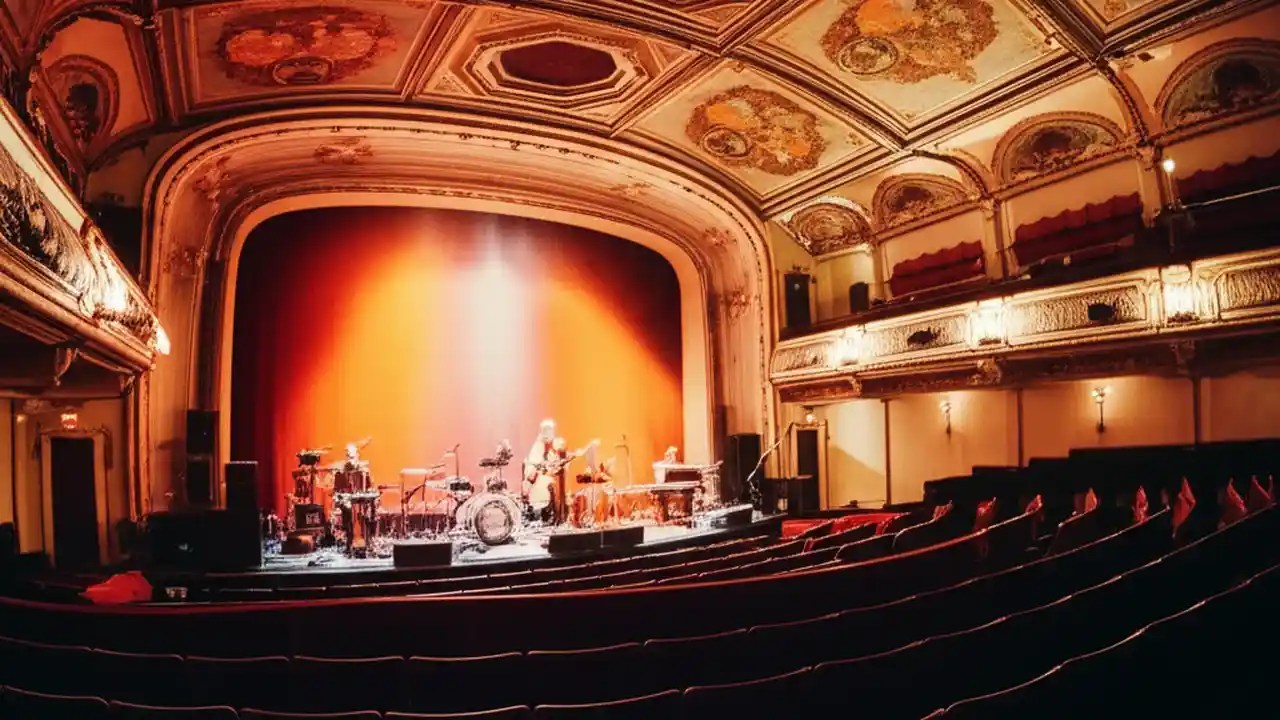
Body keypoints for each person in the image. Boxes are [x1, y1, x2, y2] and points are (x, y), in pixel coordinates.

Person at [524, 419, 568, 524]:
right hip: (539, 483)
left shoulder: (559, 444)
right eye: (545, 430)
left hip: (554, 481)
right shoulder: (537, 447)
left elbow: (562, 465)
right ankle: (540, 515)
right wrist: (538, 468)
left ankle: (557, 515)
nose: (547, 433)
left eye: (549, 430)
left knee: (553, 487)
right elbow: (530, 469)